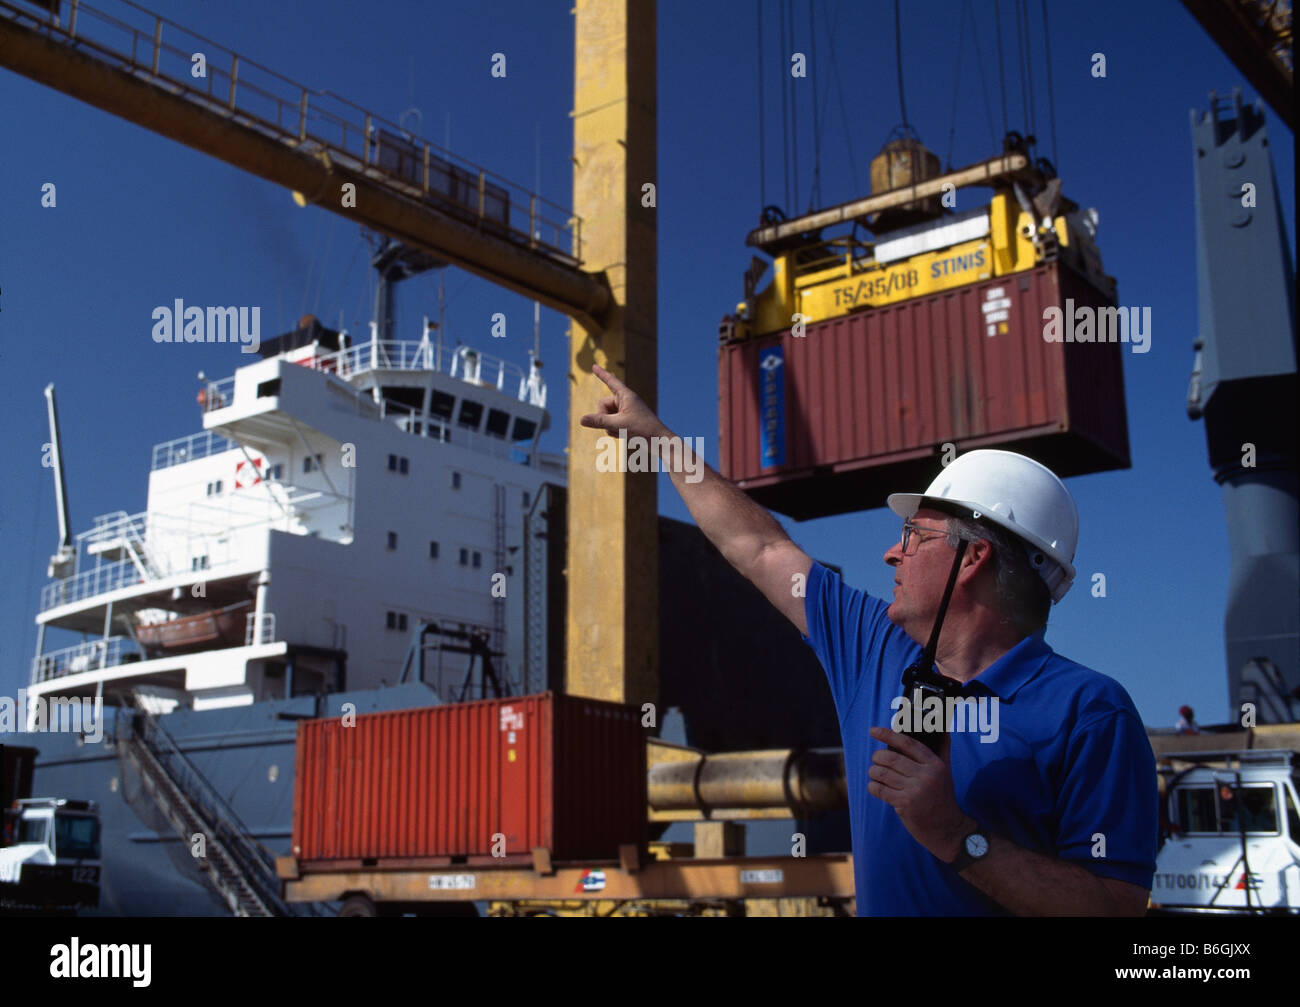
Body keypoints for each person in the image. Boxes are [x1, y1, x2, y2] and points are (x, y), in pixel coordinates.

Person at [580, 363, 1158, 916]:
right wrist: (657, 438)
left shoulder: (1091, 714)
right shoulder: (875, 647)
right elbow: (760, 549)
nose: (890, 552)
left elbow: (1115, 907)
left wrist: (955, 835)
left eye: (913, 533)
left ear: (972, 557)